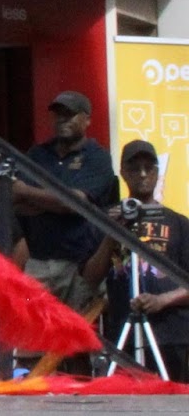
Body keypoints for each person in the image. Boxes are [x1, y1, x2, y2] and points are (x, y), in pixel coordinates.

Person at [81, 140, 189, 381]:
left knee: (174, 403)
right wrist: (113, 232)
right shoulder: (105, 219)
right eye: (134, 168)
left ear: (157, 173)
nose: (142, 174)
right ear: (123, 174)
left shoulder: (179, 224)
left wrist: (163, 300)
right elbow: (90, 277)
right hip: (123, 333)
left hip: (171, 334)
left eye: (148, 168)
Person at [13, 90, 118, 313]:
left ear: (87, 119)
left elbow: (75, 203)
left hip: (79, 265)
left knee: (74, 342)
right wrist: (61, 203)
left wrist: (29, 192)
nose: (62, 120)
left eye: (69, 115)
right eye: (58, 114)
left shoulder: (97, 157)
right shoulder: (38, 154)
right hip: (38, 262)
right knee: (32, 340)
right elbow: (15, 198)